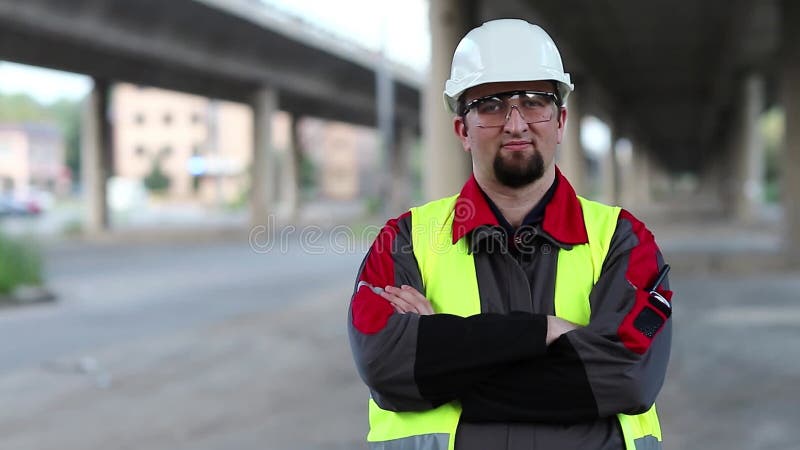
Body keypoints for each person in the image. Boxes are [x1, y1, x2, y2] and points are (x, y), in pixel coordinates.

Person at [348, 18, 672, 450]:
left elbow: (628, 378)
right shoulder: (406, 239)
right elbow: (385, 364)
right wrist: (543, 332)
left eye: (535, 101)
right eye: (491, 105)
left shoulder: (621, 239)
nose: (516, 123)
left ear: (560, 122)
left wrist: (448, 359)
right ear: (463, 130)